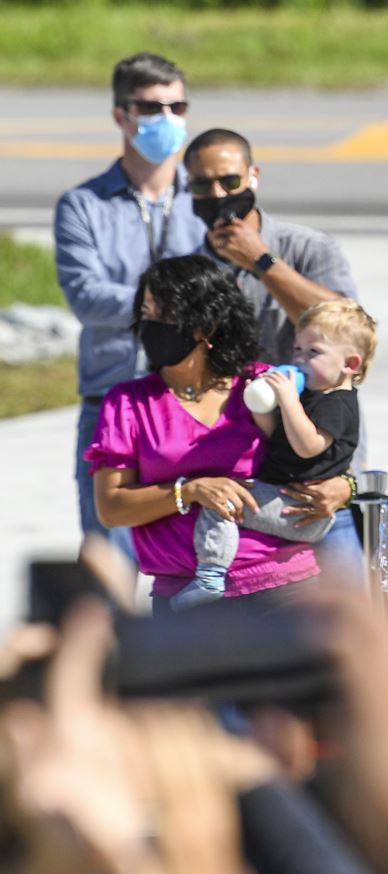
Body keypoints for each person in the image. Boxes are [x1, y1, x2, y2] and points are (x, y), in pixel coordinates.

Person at [86, 255, 320, 612]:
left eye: (165, 315)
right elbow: (111, 509)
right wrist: (189, 490)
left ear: (207, 325)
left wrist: (342, 488)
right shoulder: (127, 402)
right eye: (146, 314)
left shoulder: (263, 385)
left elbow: (322, 457)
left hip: (284, 587)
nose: (152, 326)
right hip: (185, 598)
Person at [183, 128, 365, 586]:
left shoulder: (308, 248)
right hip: (246, 481)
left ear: (253, 176)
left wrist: (261, 261)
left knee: (349, 630)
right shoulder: (188, 269)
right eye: (202, 186)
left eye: (228, 180)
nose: (218, 195)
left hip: (320, 481)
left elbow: (347, 330)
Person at [55, 52, 205, 559]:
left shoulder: (202, 202)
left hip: (194, 403)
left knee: (200, 568)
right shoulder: (84, 204)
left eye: (178, 106)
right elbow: (88, 298)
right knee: (108, 564)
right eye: (152, 108)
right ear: (122, 115)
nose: (168, 119)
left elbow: (226, 296)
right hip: (112, 401)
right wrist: (178, 307)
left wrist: (149, 306)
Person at [174, 298, 375, 610]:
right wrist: (263, 404)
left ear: (350, 364)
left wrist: (287, 399)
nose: (301, 359)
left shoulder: (338, 404)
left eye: (314, 352)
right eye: (297, 350)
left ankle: (211, 575)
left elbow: (308, 446)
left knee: (223, 503)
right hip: (287, 498)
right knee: (227, 494)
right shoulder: (312, 395)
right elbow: (276, 437)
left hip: (302, 509)